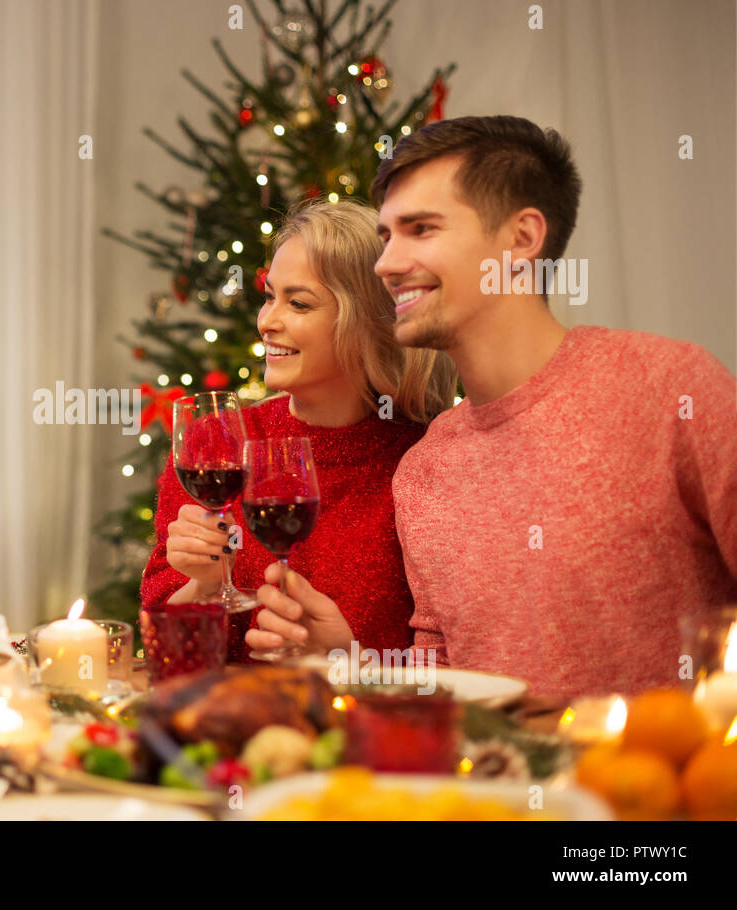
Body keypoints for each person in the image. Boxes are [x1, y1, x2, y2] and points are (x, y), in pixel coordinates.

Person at [247, 115, 737, 699]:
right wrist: (352, 665)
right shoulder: (426, 470)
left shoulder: (671, 390)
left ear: (521, 239)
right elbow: (444, 701)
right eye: (386, 237)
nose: (386, 264)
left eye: (421, 229)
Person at [141, 199, 456, 654]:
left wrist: (348, 662)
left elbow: (453, 668)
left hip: (358, 723)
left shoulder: (424, 463)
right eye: (270, 297)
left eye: (299, 303)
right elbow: (165, 655)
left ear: (369, 323)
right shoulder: (215, 443)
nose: (267, 322)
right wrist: (202, 587)